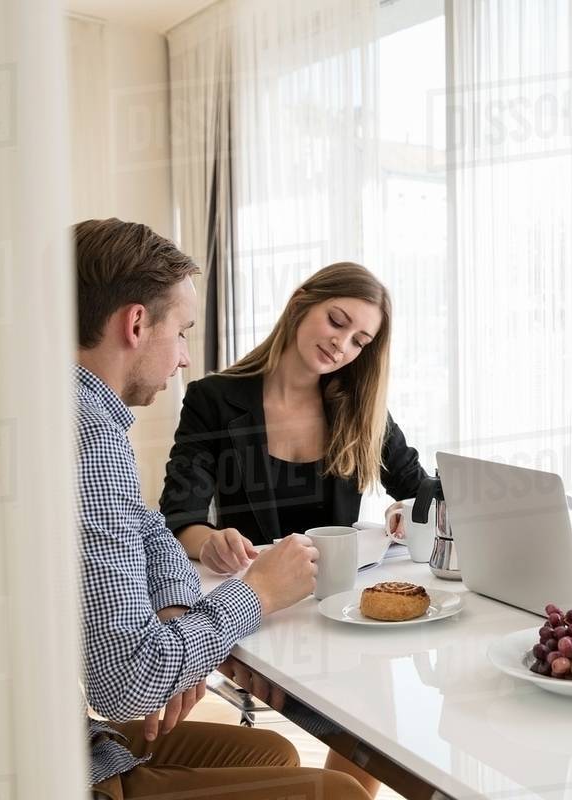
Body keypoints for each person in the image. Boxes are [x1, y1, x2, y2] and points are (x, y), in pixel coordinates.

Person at [74, 218, 369, 800]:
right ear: (136, 323)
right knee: (340, 795)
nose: (185, 356)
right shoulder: (90, 436)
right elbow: (128, 682)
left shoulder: (89, 415)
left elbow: (149, 529)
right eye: (181, 332)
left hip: (80, 731)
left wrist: (177, 604)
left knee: (280, 752)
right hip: (70, 762)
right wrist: (255, 593)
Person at [159, 262, 427, 573]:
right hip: (254, 594)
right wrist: (211, 543)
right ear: (299, 304)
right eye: (337, 321)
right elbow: (179, 518)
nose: (341, 344)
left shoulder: (360, 411)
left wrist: (404, 510)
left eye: (359, 342)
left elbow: (423, 494)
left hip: (339, 598)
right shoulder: (212, 399)